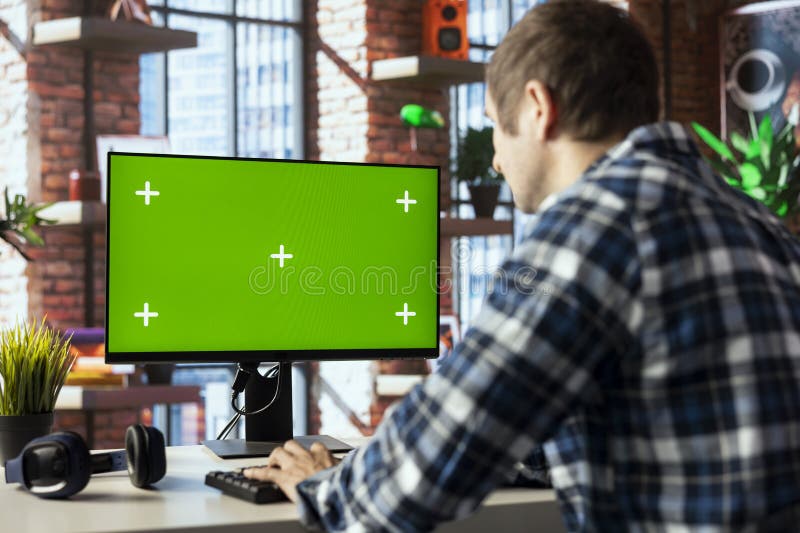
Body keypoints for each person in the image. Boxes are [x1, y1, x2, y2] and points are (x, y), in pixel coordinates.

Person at [245, 0, 800, 530]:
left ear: (539, 108)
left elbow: (402, 489)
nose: (493, 157)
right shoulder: (762, 226)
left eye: (494, 125)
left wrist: (323, 485)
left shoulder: (588, 233)